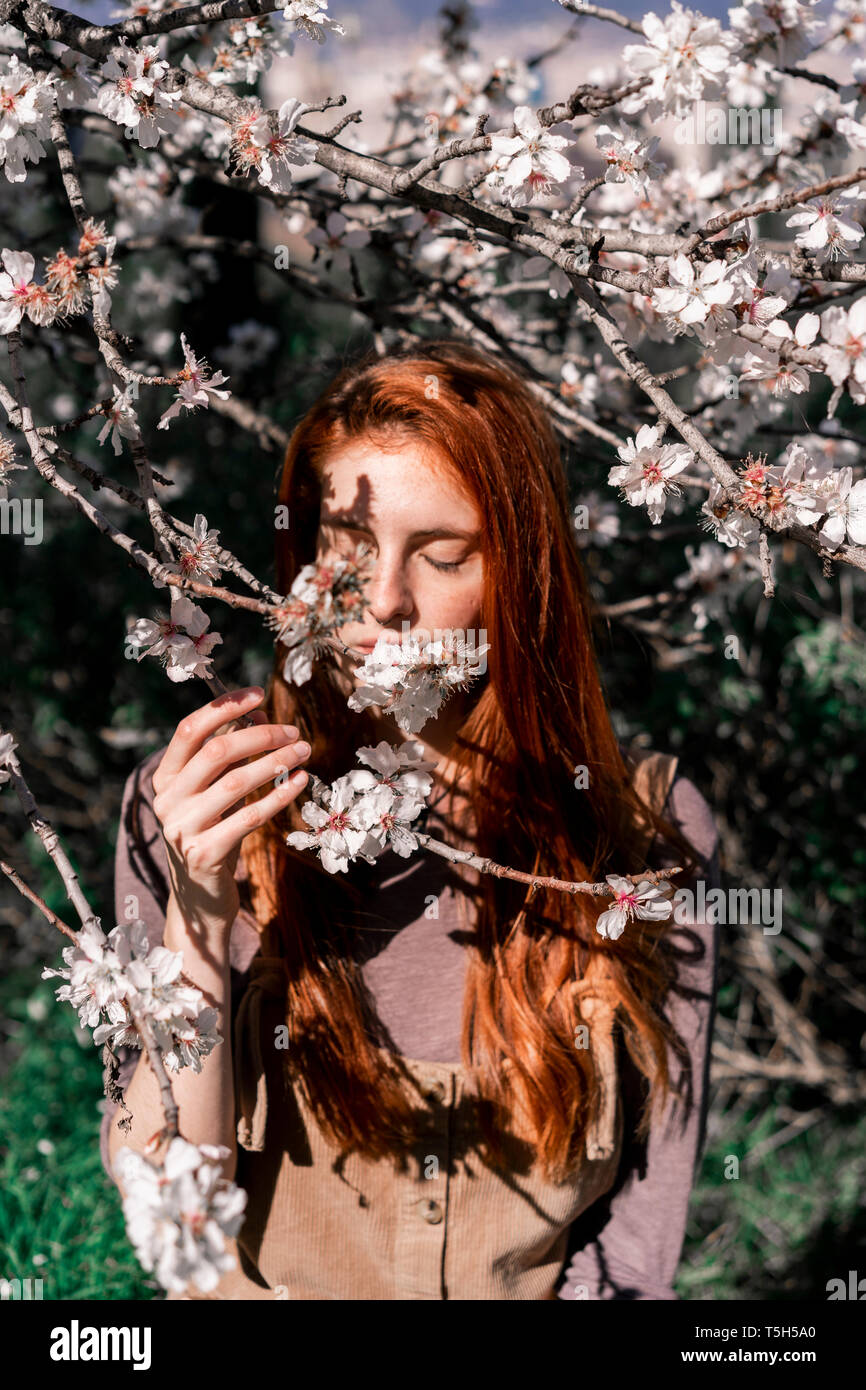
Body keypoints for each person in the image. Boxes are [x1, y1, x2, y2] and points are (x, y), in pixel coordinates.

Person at [102, 338, 720, 1300]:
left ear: (519, 575)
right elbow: (172, 1215)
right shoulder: (198, 804)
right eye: (346, 548)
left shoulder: (641, 834)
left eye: (441, 557)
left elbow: (637, 1244)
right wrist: (201, 910)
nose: (383, 601)